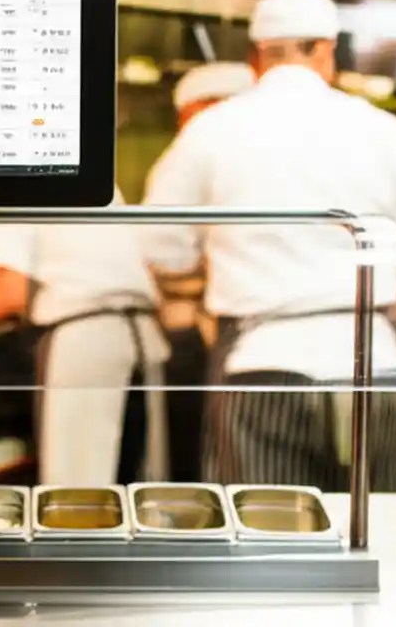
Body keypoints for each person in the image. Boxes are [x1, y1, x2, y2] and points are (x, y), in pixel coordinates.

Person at [143, 0, 396, 491]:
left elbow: (160, 243)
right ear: (326, 50)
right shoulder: (381, 128)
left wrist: (207, 259)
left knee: (264, 544)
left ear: (256, 57)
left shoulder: (211, 129)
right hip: (371, 363)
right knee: (382, 531)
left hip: (259, 365)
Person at [0, 187, 170, 485]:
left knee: (76, 491)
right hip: (142, 335)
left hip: (85, 340)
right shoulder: (87, 173)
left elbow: (11, 292)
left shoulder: (17, 178)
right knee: (139, 488)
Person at [154, 63, 256, 481]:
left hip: (215, 336)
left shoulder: (198, 149)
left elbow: (162, 251)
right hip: (221, 334)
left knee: (221, 469)